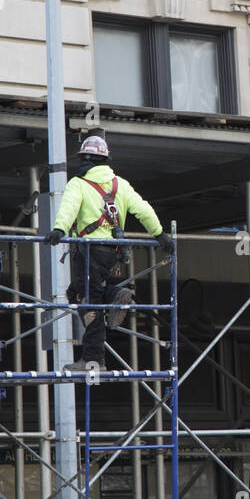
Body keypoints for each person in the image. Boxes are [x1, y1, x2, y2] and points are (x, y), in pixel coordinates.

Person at [46, 135, 175, 371]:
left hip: (88, 253)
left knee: (89, 302)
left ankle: (94, 361)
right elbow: (143, 209)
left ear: (85, 158)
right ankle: (115, 294)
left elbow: (69, 207)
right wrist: (159, 235)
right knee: (77, 293)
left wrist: (58, 229)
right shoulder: (121, 185)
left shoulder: (79, 184)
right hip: (112, 253)